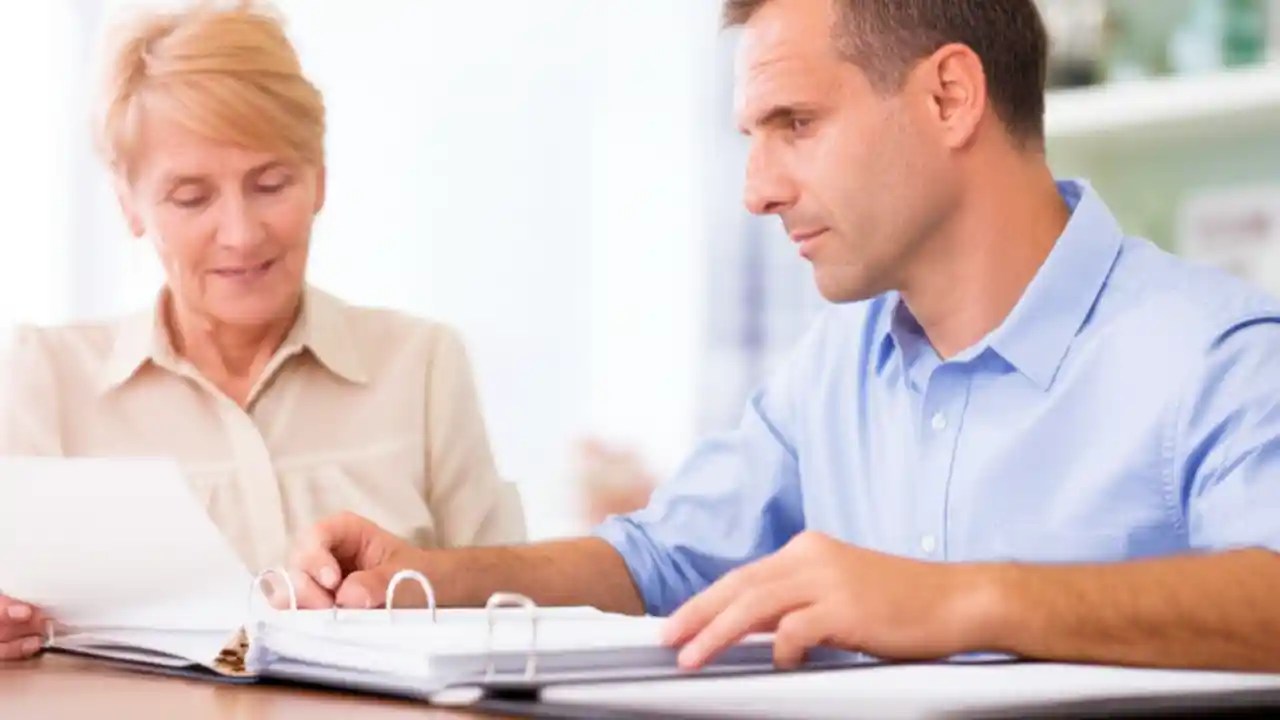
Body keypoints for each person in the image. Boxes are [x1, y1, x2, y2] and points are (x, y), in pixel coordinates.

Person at [286, 0, 1280, 672]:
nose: (757, 190)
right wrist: (414, 579)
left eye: (793, 123)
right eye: (750, 137)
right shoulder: (831, 372)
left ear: (948, 96)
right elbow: (659, 562)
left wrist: (961, 602)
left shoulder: (1216, 355)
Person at [0, 2, 524, 661]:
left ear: (321, 180)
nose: (242, 234)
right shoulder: (47, 378)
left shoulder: (421, 366)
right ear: (128, 203)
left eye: (271, 183)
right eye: (192, 198)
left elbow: (519, 617)